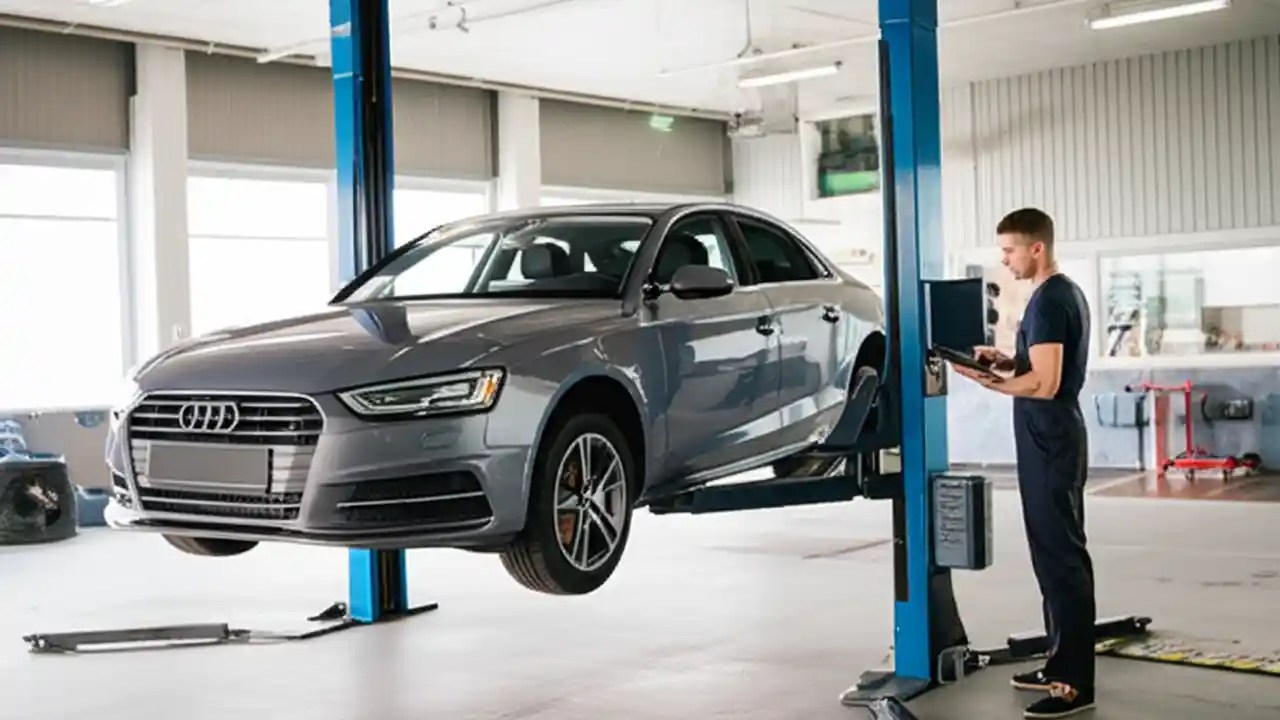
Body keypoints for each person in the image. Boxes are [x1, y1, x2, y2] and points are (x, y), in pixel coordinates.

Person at [950, 208, 1097, 719]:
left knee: (1061, 558)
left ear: (1037, 248)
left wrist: (989, 383)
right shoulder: (1059, 294)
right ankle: (1059, 662)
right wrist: (1004, 360)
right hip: (1047, 435)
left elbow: (1048, 382)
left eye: (1010, 250)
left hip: (1051, 436)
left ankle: (1075, 683)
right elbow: (1036, 367)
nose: (1004, 260)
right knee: (1048, 554)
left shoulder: (1051, 298)